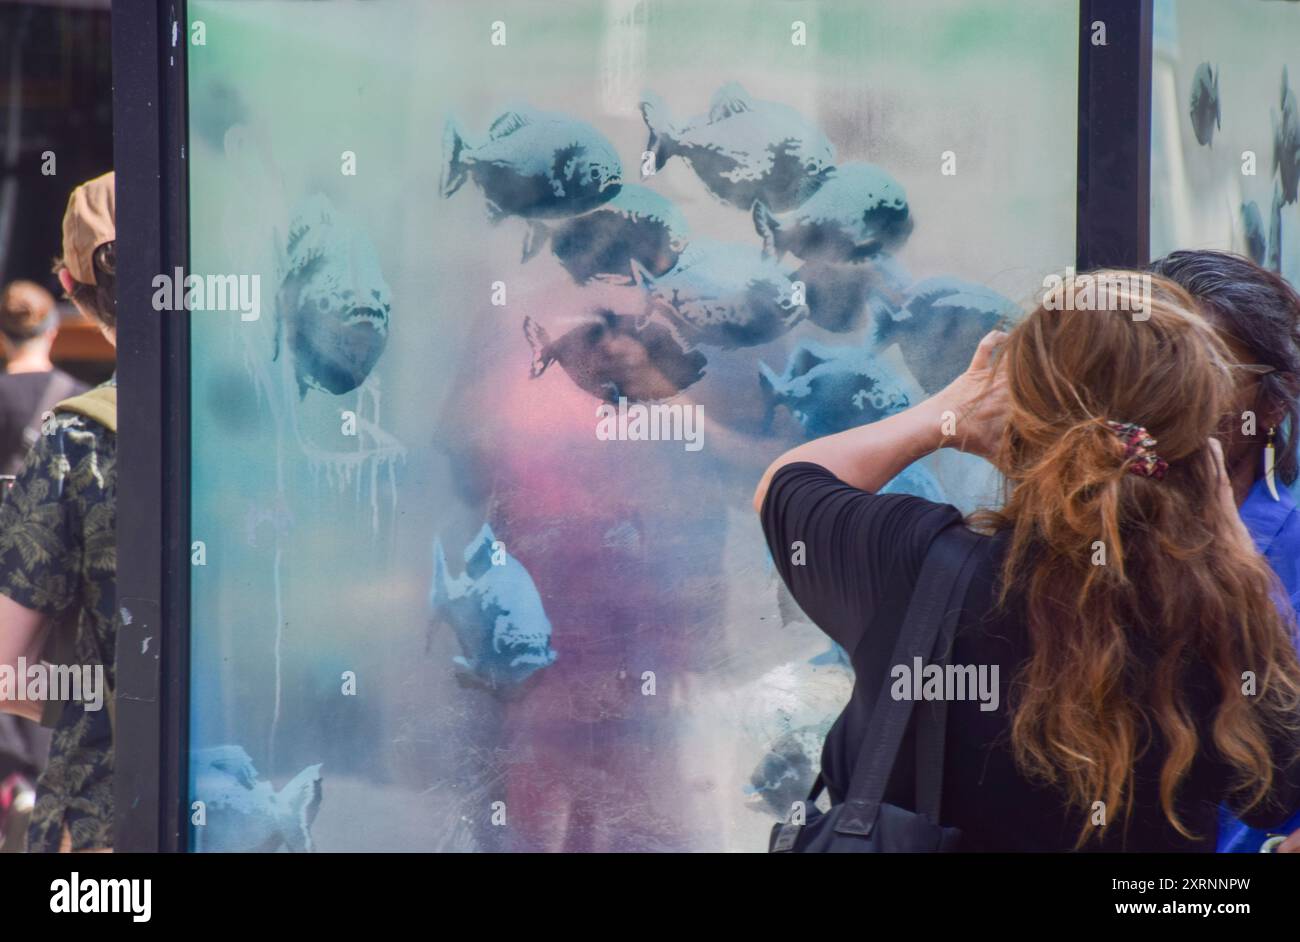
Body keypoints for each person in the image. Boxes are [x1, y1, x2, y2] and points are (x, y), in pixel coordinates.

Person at [753, 272, 1300, 851]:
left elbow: (785, 486)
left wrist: (948, 414)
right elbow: (1276, 795)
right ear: (1199, 441)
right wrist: (1233, 555)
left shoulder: (916, 564)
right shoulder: (1216, 618)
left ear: (1019, 415)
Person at [1149, 249, 1300, 852]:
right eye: (1149, 359)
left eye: (1202, 366)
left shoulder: (1287, 549)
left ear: (1273, 402)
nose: (1161, 392)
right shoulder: (1086, 543)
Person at [0, 171, 117, 853]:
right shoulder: (267, 421)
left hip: (107, 817)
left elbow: (9, 668)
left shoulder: (77, 437)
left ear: (73, 291)